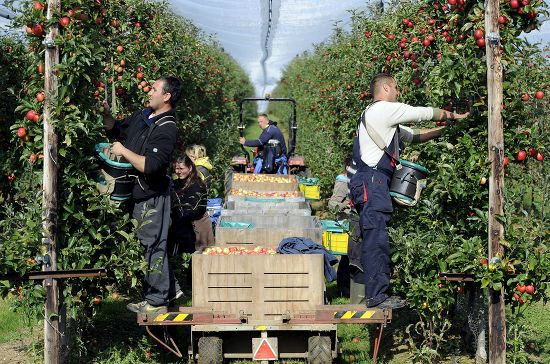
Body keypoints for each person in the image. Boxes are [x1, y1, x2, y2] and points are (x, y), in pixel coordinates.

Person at [349, 73, 469, 309]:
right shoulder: (382, 109)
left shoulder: (383, 119)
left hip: (374, 183)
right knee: (376, 239)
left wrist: (445, 130)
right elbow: (423, 112)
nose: (398, 92)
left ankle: (377, 294)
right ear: (385, 88)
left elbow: (414, 136)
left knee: (378, 237)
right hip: (372, 182)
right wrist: (454, 115)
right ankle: (376, 297)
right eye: (395, 87)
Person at [101, 75, 183, 315]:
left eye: (154, 89)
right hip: (136, 194)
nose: (149, 91)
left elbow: (151, 166)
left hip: (153, 195)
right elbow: (116, 130)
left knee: (153, 245)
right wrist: (107, 114)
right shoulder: (143, 115)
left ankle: (157, 302)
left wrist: (124, 151)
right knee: (148, 244)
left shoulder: (167, 128)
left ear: (166, 96)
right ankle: (169, 290)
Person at [168, 155, 208, 290]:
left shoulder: (197, 185)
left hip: (197, 223)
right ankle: (181, 282)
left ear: (190, 168)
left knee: (197, 254)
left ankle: (193, 285)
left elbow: (196, 209)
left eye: (181, 168)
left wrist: (181, 215)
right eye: (176, 168)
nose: (178, 171)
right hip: (183, 223)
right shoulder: (177, 184)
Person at [328, 155, 353, 297]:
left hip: (355, 222)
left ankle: (345, 287)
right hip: (347, 222)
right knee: (347, 256)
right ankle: (344, 288)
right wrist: (345, 205)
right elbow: (332, 205)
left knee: (349, 256)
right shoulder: (343, 181)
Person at [185, 144, 215, 250]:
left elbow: (194, 190)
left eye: (187, 157)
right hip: (203, 213)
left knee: (201, 250)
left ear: (193, 157)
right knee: (207, 248)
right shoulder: (204, 167)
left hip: (197, 214)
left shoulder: (198, 172)